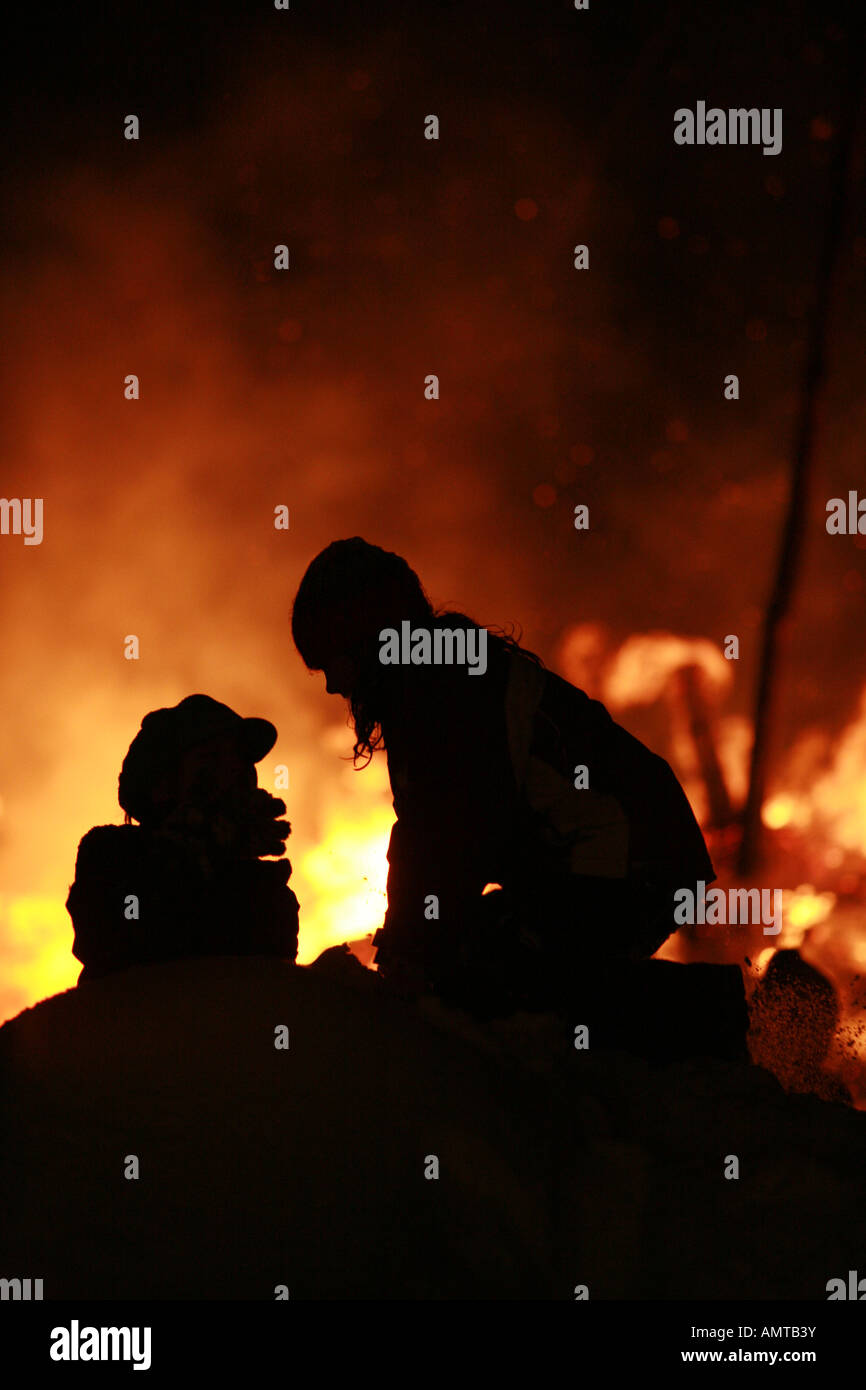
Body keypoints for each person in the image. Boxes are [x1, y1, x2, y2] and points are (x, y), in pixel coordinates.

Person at [291, 538, 746, 1054]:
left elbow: (449, 835)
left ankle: (713, 1022)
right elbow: (430, 833)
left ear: (366, 636)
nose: (332, 686)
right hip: (633, 854)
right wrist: (410, 945)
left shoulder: (443, 692)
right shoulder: (436, 677)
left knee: (493, 975)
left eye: (332, 660)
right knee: (492, 960)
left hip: (633, 859)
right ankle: (702, 1028)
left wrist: (408, 956)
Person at [67, 694, 299, 981]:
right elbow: (117, 936)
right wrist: (186, 852)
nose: (235, 772)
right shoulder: (109, 856)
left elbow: (265, 977)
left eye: (241, 761)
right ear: (161, 785)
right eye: (211, 759)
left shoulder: (263, 886)